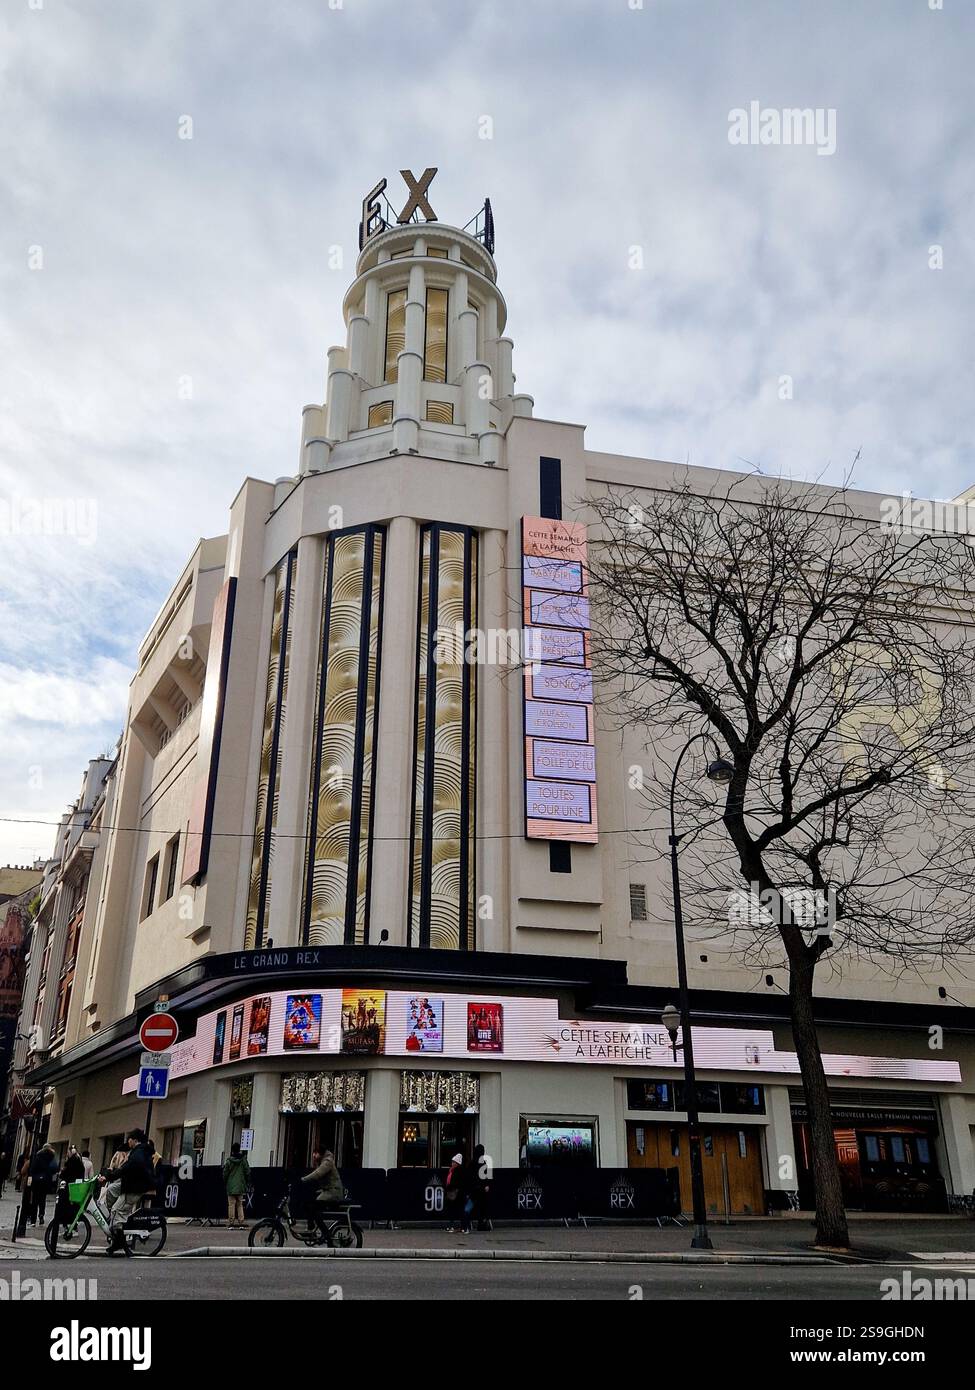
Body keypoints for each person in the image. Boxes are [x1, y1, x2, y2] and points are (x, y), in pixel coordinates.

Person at [99, 1129, 155, 1254]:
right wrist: (110, 1176)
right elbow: (126, 1168)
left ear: (134, 1140)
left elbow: (127, 1168)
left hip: (134, 1187)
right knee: (112, 1192)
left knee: (117, 1212)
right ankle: (118, 1239)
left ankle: (119, 1242)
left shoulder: (138, 1153)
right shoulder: (140, 1151)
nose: (128, 1141)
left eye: (129, 1139)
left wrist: (109, 1176)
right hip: (132, 1184)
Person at [300, 1148, 345, 1235]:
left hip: (333, 1193)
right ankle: (312, 1228)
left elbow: (318, 1173)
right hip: (329, 1191)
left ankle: (324, 1234)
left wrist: (304, 1179)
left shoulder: (327, 1162)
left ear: (320, 1153)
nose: (313, 1155)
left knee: (312, 1207)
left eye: (315, 1153)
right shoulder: (324, 1161)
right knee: (309, 1206)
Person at [26, 1143, 58, 1226]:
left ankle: (33, 1220)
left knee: (35, 1201)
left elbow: (33, 1169)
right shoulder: (52, 1157)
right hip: (46, 1181)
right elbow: (55, 1168)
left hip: (37, 1181)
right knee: (42, 1200)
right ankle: (41, 1216)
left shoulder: (38, 1156)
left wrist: (32, 1178)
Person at [462, 1144, 492, 1233]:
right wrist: (486, 1184)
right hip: (481, 1189)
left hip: (474, 1188)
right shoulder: (483, 1162)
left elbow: (469, 1177)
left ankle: (467, 1225)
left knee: (470, 1206)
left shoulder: (472, 1163)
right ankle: (480, 1223)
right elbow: (487, 1174)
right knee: (481, 1206)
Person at [222, 1143, 251, 1230]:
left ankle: (231, 1223)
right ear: (239, 1149)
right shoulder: (243, 1160)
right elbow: (247, 1171)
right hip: (240, 1185)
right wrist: (247, 1181)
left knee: (231, 1205)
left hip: (230, 1186)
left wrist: (225, 1181)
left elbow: (225, 1173)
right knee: (240, 1205)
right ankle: (241, 1223)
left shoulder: (229, 1161)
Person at [444, 1153, 464, 1234]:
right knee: (452, 1210)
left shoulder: (457, 1171)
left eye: (453, 1162)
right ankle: (454, 1225)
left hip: (455, 1193)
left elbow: (455, 1182)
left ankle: (456, 1226)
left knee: (454, 1210)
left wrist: (449, 1188)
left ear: (457, 1163)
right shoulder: (451, 1170)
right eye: (452, 1162)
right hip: (452, 1192)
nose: (452, 1163)